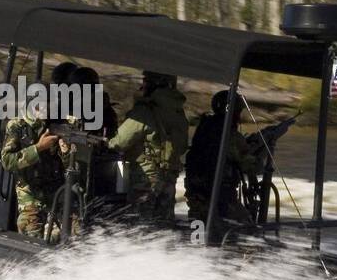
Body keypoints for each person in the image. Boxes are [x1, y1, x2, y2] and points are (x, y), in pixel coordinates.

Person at [106, 70, 189, 223]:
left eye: (145, 82)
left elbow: (119, 142)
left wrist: (105, 142)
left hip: (146, 178)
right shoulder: (179, 113)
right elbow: (182, 147)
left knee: (139, 228)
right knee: (163, 228)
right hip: (170, 178)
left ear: (153, 84)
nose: (142, 86)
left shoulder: (145, 110)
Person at [184, 89, 261, 225]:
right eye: (238, 111)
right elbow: (250, 165)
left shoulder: (204, 129)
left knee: (200, 228)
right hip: (220, 196)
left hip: (197, 194)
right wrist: (259, 153)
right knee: (248, 227)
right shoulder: (230, 135)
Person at [0, 103, 66, 240]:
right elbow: (7, 161)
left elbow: (70, 166)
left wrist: (66, 152)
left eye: (46, 106)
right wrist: (38, 148)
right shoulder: (17, 126)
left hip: (54, 191)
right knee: (31, 233)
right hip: (29, 192)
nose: (43, 110)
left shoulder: (55, 125)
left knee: (67, 234)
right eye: (37, 106)